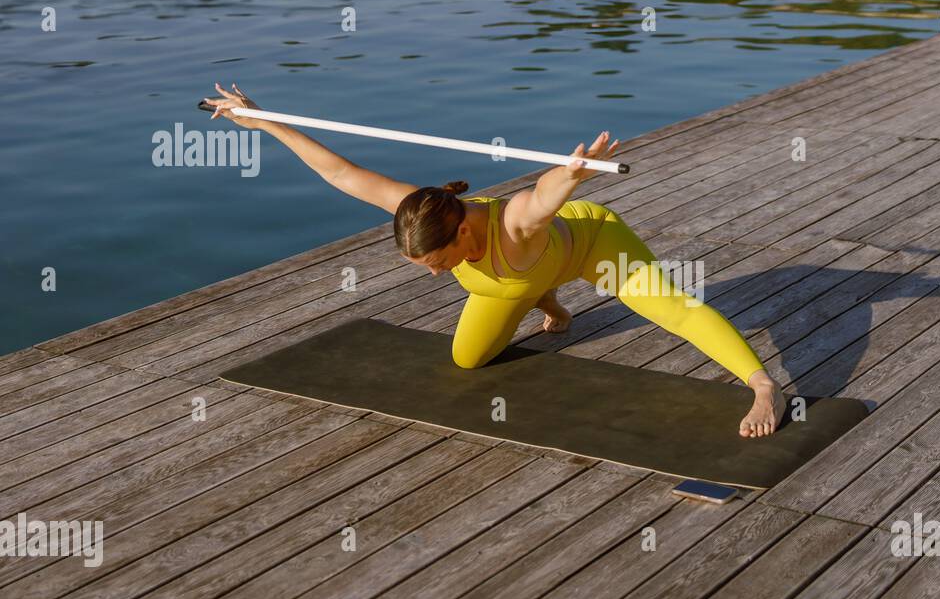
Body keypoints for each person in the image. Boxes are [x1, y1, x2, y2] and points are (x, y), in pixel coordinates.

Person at [203, 83, 785, 436]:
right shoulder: (422, 210)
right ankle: (548, 301)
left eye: (438, 261)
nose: (435, 273)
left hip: (590, 246)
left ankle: (763, 387)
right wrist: (262, 120)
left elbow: (541, 199)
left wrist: (570, 175)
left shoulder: (512, 223)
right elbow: (341, 172)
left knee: (674, 309)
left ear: (462, 230)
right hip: (513, 281)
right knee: (467, 359)